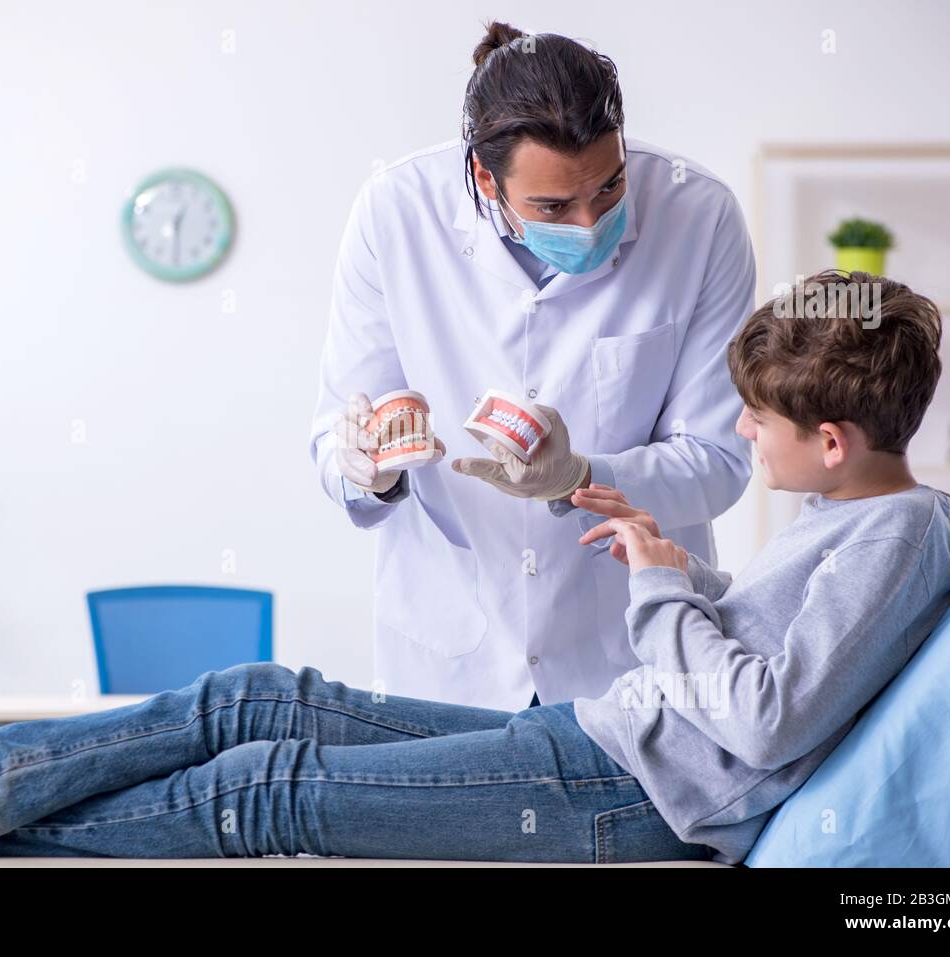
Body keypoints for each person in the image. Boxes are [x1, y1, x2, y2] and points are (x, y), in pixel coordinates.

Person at [0, 272, 950, 865]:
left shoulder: (895, 538)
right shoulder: (852, 520)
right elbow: (760, 685)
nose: (742, 434)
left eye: (759, 422)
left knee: (267, 780)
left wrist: (657, 577)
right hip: (603, 743)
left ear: (834, 441)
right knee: (255, 693)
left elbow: (766, 713)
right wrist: (670, 577)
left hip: (632, 803)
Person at [309, 21, 755, 712]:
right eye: (551, 206)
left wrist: (584, 475)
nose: (586, 224)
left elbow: (720, 460)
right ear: (484, 177)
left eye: (609, 190)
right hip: (451, 651)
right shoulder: (394, 214)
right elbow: (337, 438)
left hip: (627, 653)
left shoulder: (701, 218)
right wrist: (371, 470)